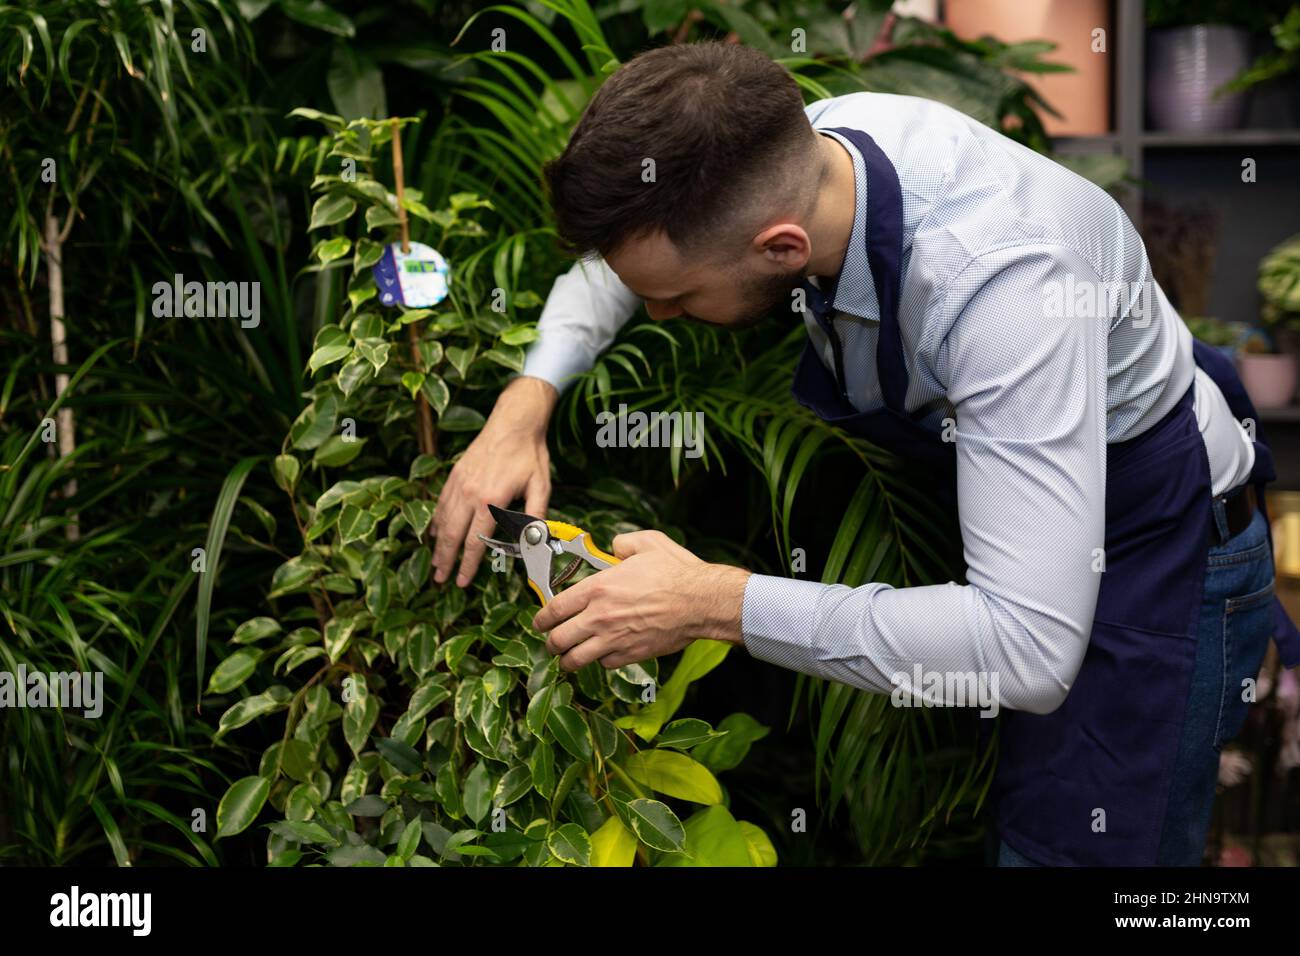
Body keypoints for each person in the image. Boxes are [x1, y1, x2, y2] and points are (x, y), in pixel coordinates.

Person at [430, 42, 1300, 866]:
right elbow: (634, 256)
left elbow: (1027, 649)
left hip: (1157, 555)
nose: (655, 315)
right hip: (1040, 523)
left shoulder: (1007, 292)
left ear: (782, 250)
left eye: (677, 298)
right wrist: (525, 401)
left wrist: (714, 603)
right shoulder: (798, 152)